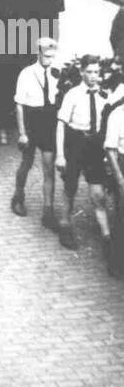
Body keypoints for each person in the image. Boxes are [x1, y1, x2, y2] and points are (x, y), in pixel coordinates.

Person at [55, 55, 111, 256]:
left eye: (97, 72)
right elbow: (61, 124)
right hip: (75, 143)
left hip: (95, 146)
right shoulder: (73, 94)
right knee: (70, 187)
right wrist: (60, 154)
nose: (94, 76)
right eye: (89, 72)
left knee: (98, 194)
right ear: (82, 72)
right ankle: (64, 225)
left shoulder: (105, 95)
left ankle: (107, 239)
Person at [10, 38, 59, 230]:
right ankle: (18, 196)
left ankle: (48, 210)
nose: (49, 60)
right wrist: (22, 133)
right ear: (38, 53)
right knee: (27, 163)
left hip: (49, 123)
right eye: (46, 56)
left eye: (52, 57)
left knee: (49, 167)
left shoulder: (57, 72)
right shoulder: (26, 74)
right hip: (32, 121)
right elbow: (19, 105)